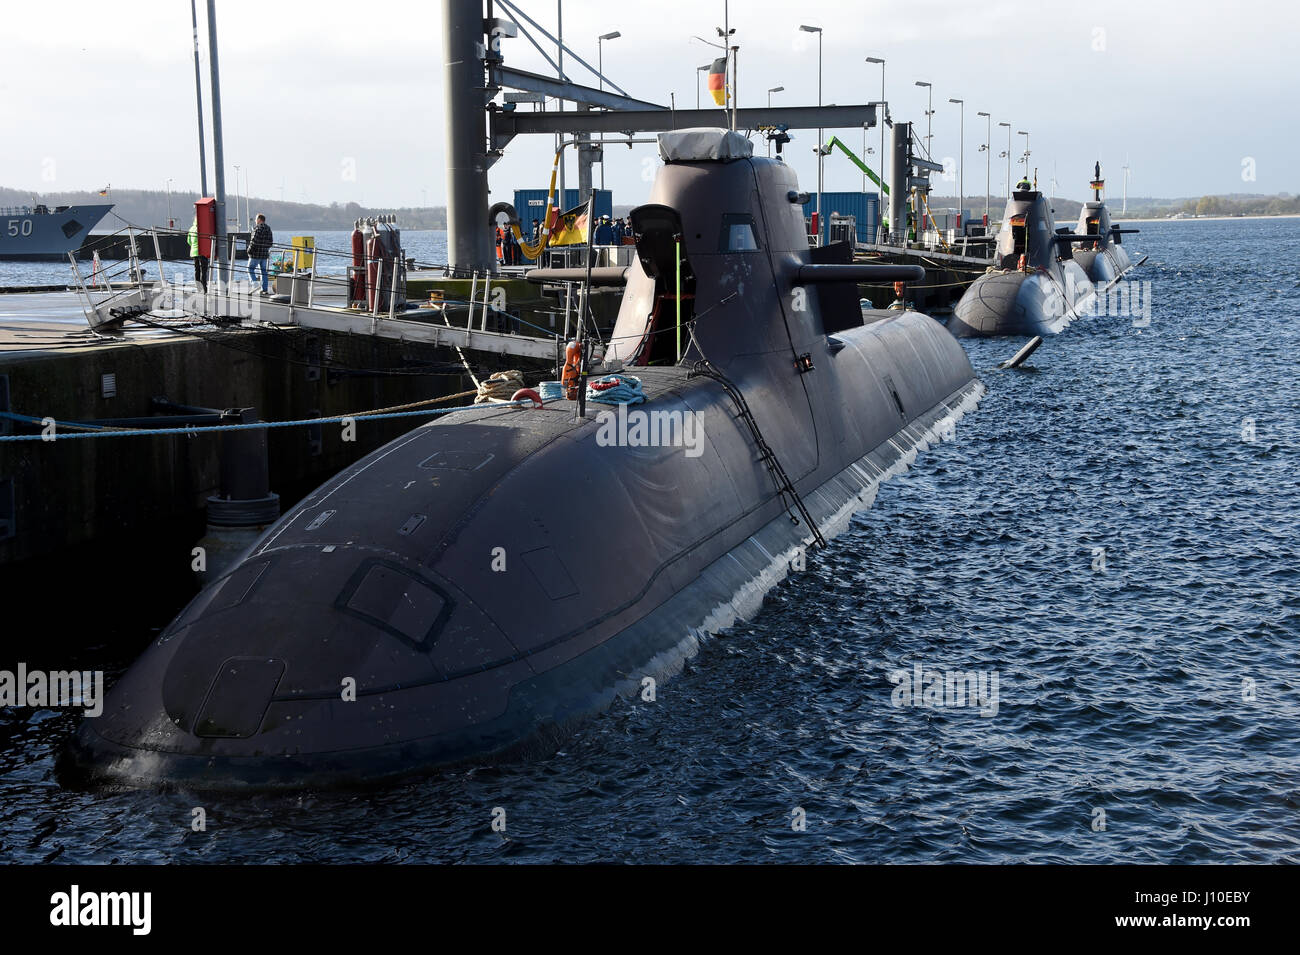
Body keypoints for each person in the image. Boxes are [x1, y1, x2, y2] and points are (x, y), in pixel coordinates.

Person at [247, 213, 273, 294]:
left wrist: (249, 250)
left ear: (259, 219)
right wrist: (265, 248)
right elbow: (270, 242)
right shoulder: (268, 228)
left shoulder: (257, 228)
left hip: (255, 254)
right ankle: (264, 289)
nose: (255, 220)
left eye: (256, 219)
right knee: (263, 271)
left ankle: (255, 284)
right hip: (264, 254)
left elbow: (254, 241)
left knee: (250, 269)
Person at [187, 216, 208, 291]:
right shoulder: (202, 228)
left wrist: (193, 247)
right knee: (204, 270)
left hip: (193, 252)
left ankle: (198, 287)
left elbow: (189, 241)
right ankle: (204, 287)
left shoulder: (191, 228)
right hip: (202, 251)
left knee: (197, 270)